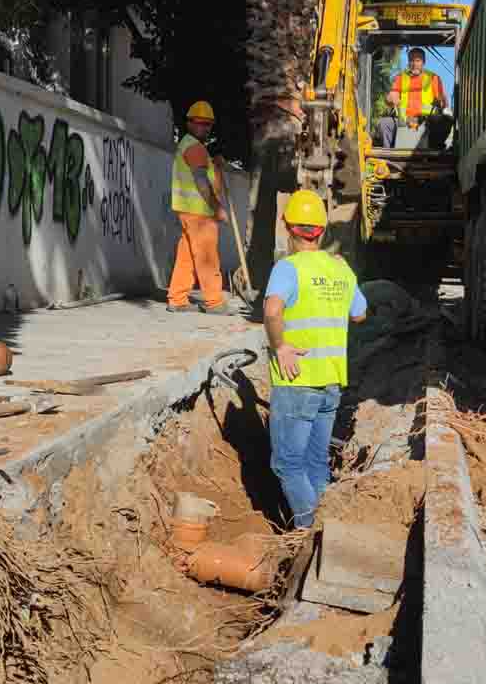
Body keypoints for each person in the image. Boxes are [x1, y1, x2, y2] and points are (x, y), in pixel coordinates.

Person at [263, 190, 368, 529]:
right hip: (331, 382)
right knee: (316, 463)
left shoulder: (287, 268)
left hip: (297, 381)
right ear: (322, 231)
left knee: (288, 465)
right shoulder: (340, 268)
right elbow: (360, 314)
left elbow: (272, 311)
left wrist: (281, 346)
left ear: (287, 228)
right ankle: (331, 528)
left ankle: (311, 530)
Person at [167, 101, 239, 314]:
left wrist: (214, 165)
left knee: (187, 255)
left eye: (207, 124)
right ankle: (214, 302)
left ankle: (177, 298)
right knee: (207, 256)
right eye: (199, 123)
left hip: (187, 210)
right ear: (189, 123)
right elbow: (201, 182)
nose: (203, 127)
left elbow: (202, 173)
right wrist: (217, 208)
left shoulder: (190, 145)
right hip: (200, 213)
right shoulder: (195, 148)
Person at [375, 48, 452, 148]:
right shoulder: (400, 78)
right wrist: (390, 99)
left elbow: (442, 101)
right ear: (408, 62)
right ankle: (388, 152)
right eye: (411, 60)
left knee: (446, 121)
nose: (414, 64)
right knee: (384, 123)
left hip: (426, 121)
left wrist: (441, 103)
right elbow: (393, 95)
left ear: (423, 62)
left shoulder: (433, 78)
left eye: (417, 60)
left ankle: (434, 148)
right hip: (403, 120)